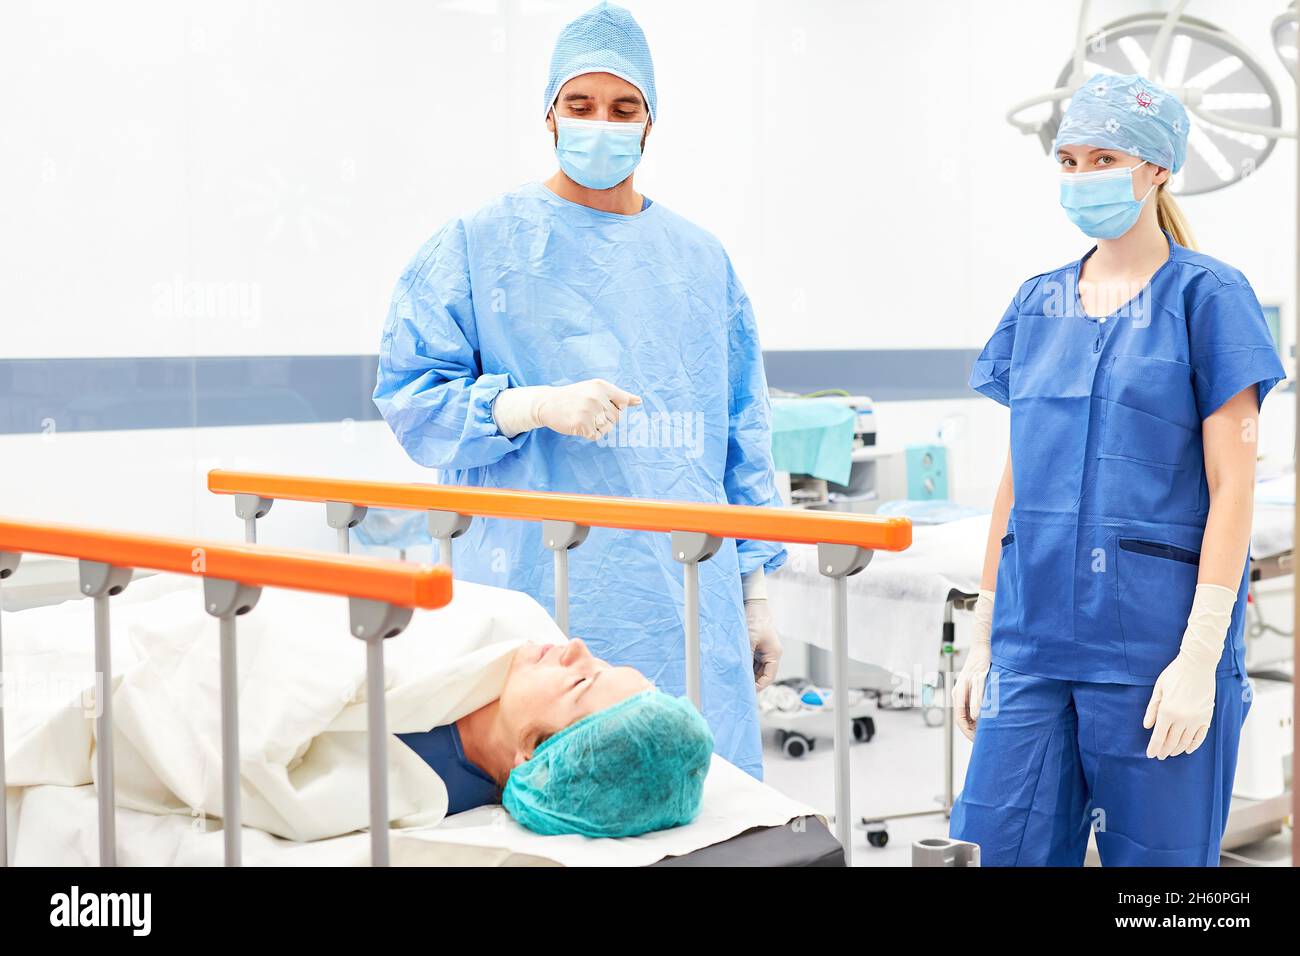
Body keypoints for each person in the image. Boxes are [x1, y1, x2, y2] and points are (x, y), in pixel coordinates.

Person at [374, 1, 786, 779]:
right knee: (551, 801)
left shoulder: (701, 263)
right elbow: (410, 396)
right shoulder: (479, 243)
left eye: (623, 107)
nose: (603, 122)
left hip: (681, 596)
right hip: (531, 599)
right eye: (582, 104)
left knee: (698, 804)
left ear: (650, 123)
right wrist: (525, 407)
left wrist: (755, 592)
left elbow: (743, 435)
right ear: (551, 117)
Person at [950, 73, 1286, 866]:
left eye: (1104, 157)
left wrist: (1202, 651)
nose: (1081, 176)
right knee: (995, 848)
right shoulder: (1038, 304)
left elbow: (1233, 484)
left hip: (1154, 647)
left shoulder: (1209, 297)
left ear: (1158, 169)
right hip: (1031, 647)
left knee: (1159, 878)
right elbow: (1016, 477)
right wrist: (982, 631)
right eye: (1067, 160)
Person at [397, 636, 714, 837]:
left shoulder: (403, 775)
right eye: (605, 665)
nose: (577, 646)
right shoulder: (507, 644)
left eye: (579, 683)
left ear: (534, 756)